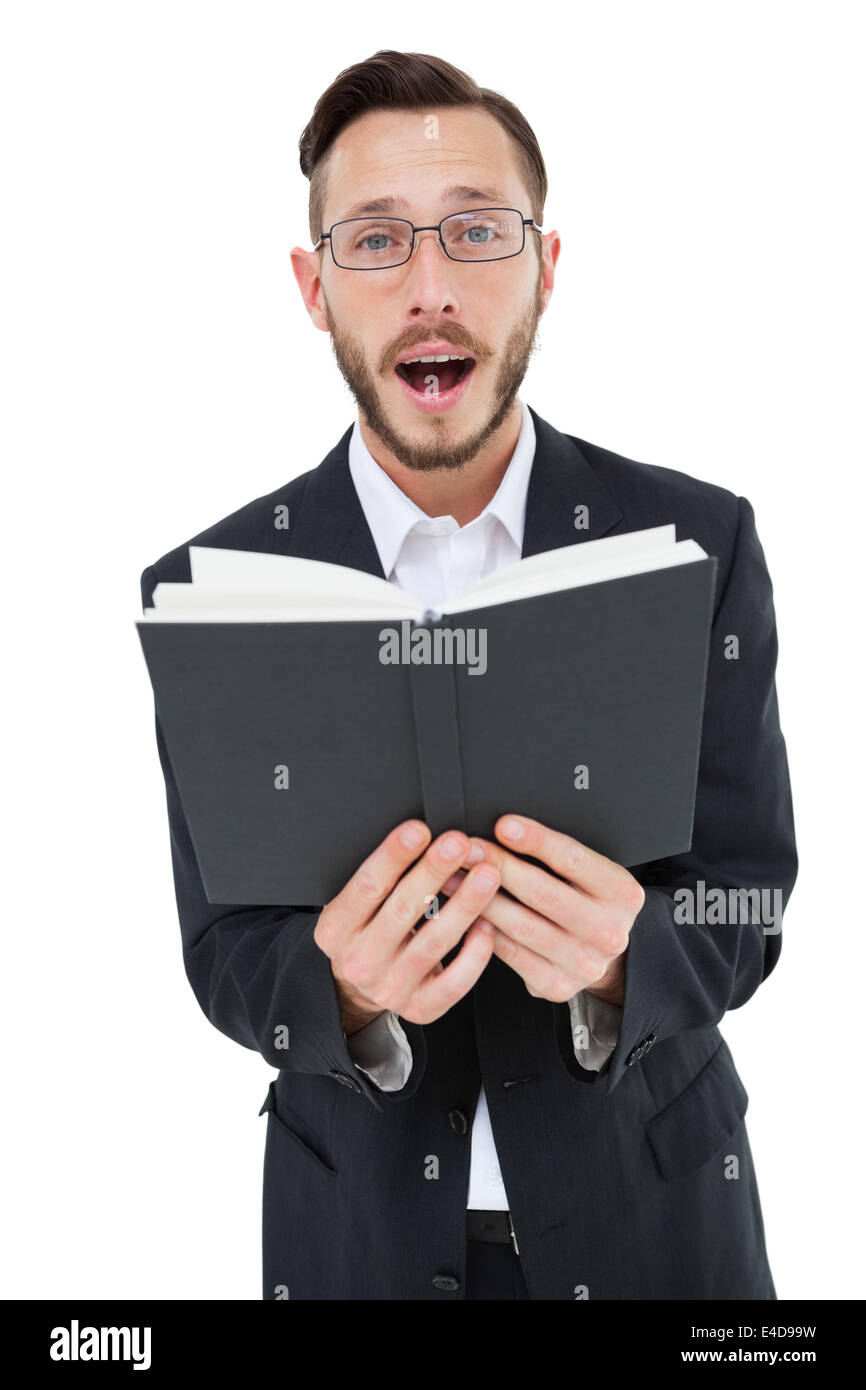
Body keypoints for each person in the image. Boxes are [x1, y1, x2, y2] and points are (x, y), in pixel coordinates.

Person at [140, 49, 797, 1300]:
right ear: (313, 285)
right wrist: (339, 989)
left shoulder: (700, 546)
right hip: (358, 1244)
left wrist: (625, 961)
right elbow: (223, 947)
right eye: (375, 242)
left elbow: (748, 900)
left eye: (475, 232)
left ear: (546, 265)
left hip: (658, 1236)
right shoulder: (213, 589)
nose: (429, 287)